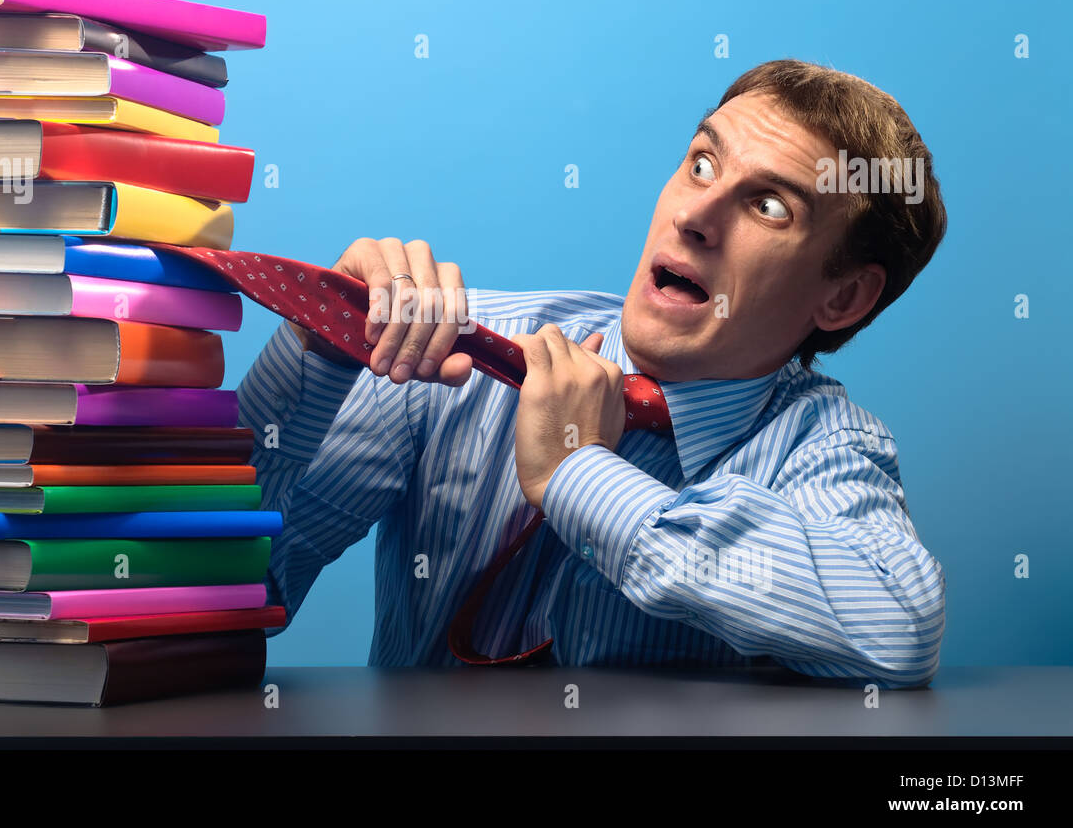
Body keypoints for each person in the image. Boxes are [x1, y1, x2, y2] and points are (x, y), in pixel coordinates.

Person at [237, 59, 948, 687]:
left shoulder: (823, 445)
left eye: (769, 205)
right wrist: (316, 349)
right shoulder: (453, 354)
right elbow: (224, 601)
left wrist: (580, 476)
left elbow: (897, 629)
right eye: (702, 163)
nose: (695, 213)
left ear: (843, 296)